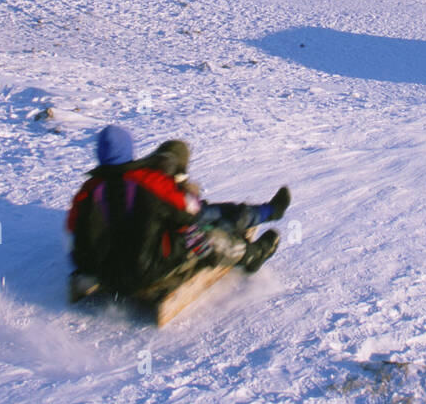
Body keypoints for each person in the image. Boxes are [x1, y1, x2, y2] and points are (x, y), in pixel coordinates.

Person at [66, 126, 289, 297]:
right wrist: (186, 190)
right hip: (145, 271)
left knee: (203, 220)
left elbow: (72, 229)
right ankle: (252, 255)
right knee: (205, 235)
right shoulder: (148, 182)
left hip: (100, 270)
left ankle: (266, 212)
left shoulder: (87, 190)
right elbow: (191, 212)